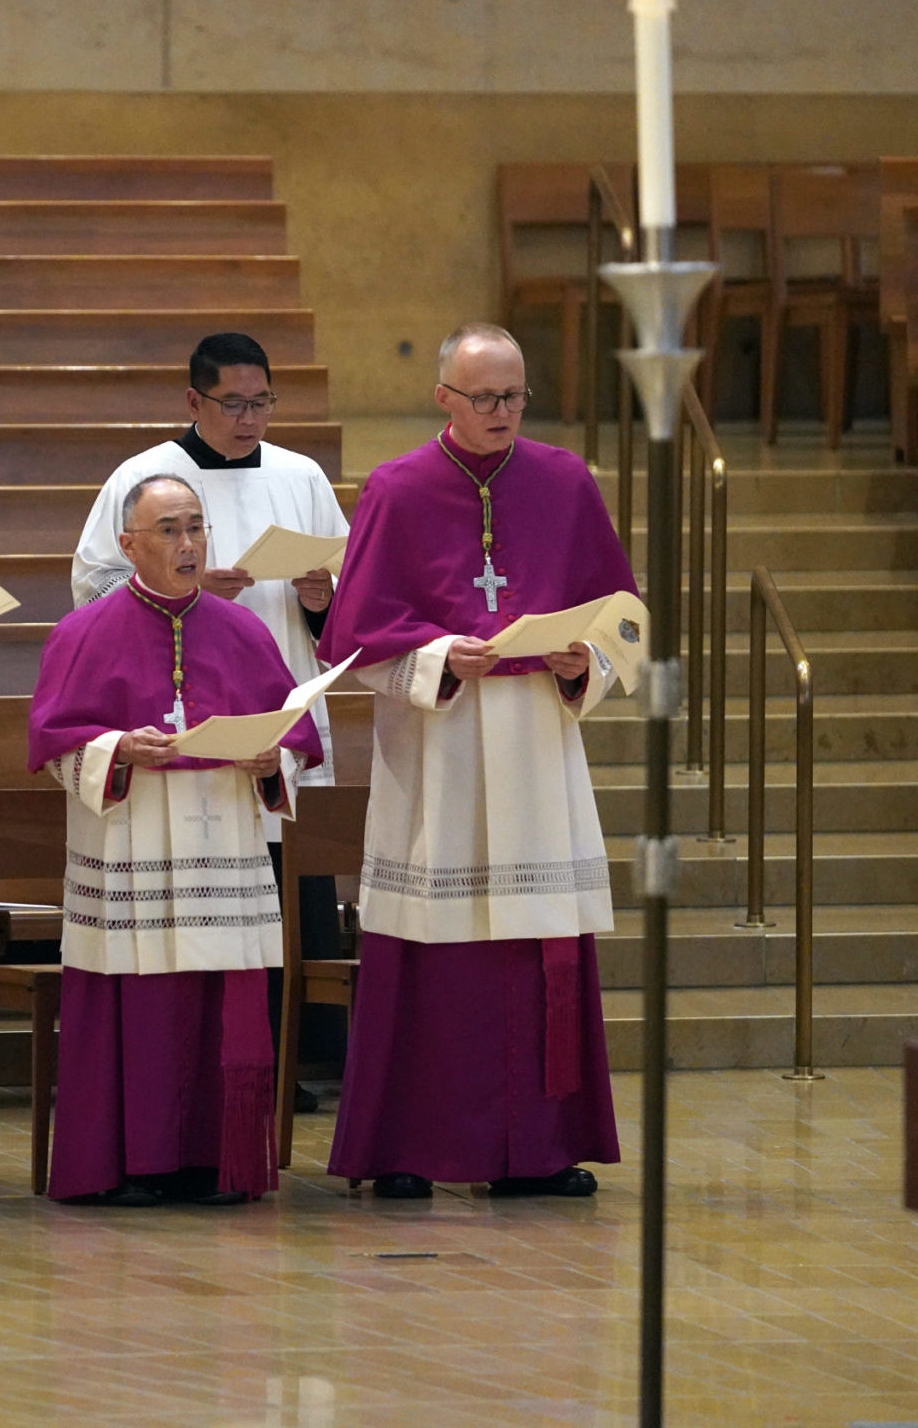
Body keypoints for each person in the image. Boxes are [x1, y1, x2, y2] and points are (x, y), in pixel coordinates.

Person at [318, 323, 635, 1201]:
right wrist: (435, 659)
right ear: (444, 399)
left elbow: (621, 613)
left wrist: (588, 663)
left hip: (537, 741)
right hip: (439, 748)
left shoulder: (566, 483)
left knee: (540, 954)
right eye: (485, 398)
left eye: (515, 396)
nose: (503, 413)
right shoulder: (397, 489)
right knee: (431, 950)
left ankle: (536, 1149)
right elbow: (353, 640)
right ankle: (411, 1147)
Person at [69, 331, 353, 1106]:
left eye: (262, 402)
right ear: (193, 400)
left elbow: (355, 600)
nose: (250, 418)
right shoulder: (145, 477)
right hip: (180, 728)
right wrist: (178, 589)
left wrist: (321, 600)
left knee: (284, 895)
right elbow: (92, 592)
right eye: (233, 403)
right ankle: (204, 1069)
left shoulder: (300, 476)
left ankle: (285, 1062)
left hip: (273, 719)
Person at [29, 475, 320, 1207]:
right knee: (143, 1006)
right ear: (128, 546)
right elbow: (55, 747)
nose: (188, 544)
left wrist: (270, 761)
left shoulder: (246, 630)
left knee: (220, 1001)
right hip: (135, 849)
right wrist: (119, 747)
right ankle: (132, 1162)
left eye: (196, 528)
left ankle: (216, 1161)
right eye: (169, 530)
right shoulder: (82, 633)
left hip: (223, 842)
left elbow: (294, 734)